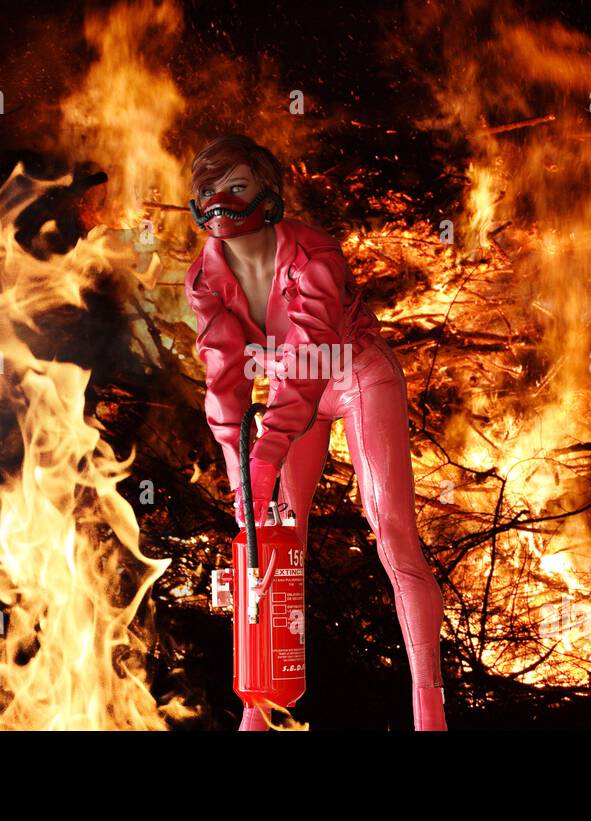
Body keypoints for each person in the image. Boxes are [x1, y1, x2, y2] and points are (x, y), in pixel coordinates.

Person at [182, 134, 447, 731]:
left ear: (268, 192)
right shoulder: (204, 277)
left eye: (237, 187)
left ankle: (428, 705)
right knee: (272, 541)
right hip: (288, 396)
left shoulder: (314, 253)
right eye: (208, 191)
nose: (221, 200)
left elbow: (311, 353)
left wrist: (267, 450)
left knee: (393, 531)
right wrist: (239, 475)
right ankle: (261, 700)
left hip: (354, 375)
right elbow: (222, 377)